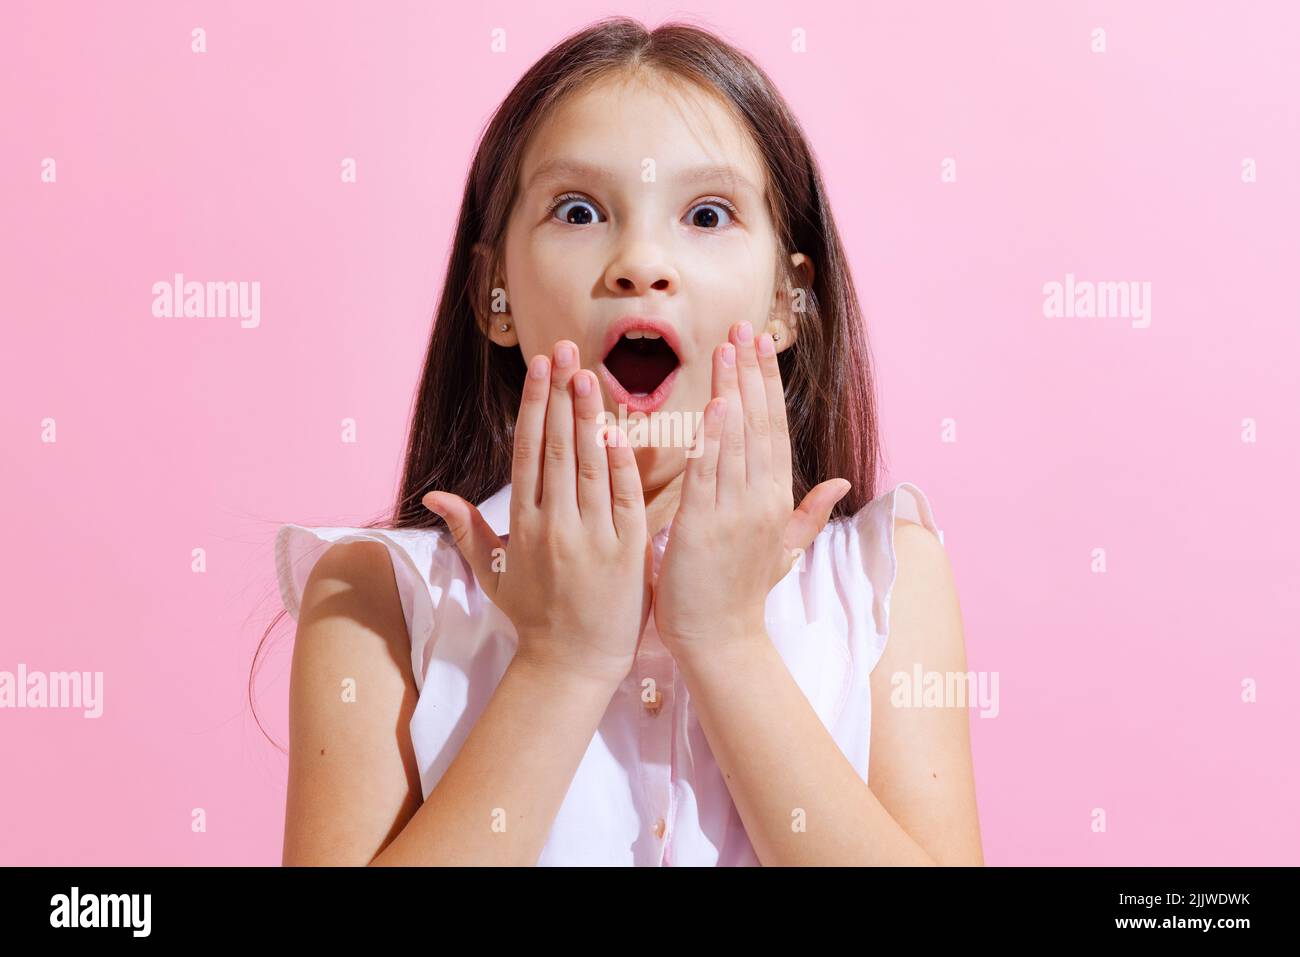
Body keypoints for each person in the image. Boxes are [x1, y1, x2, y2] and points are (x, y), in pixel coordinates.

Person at [272, 16, 982, 866]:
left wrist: (725, 642)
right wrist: (561, 662)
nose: (641, 262)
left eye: (707, 214)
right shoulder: (376, 596)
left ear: (786, 304)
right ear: (494, 294)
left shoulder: (881, 581)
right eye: (578, 211)